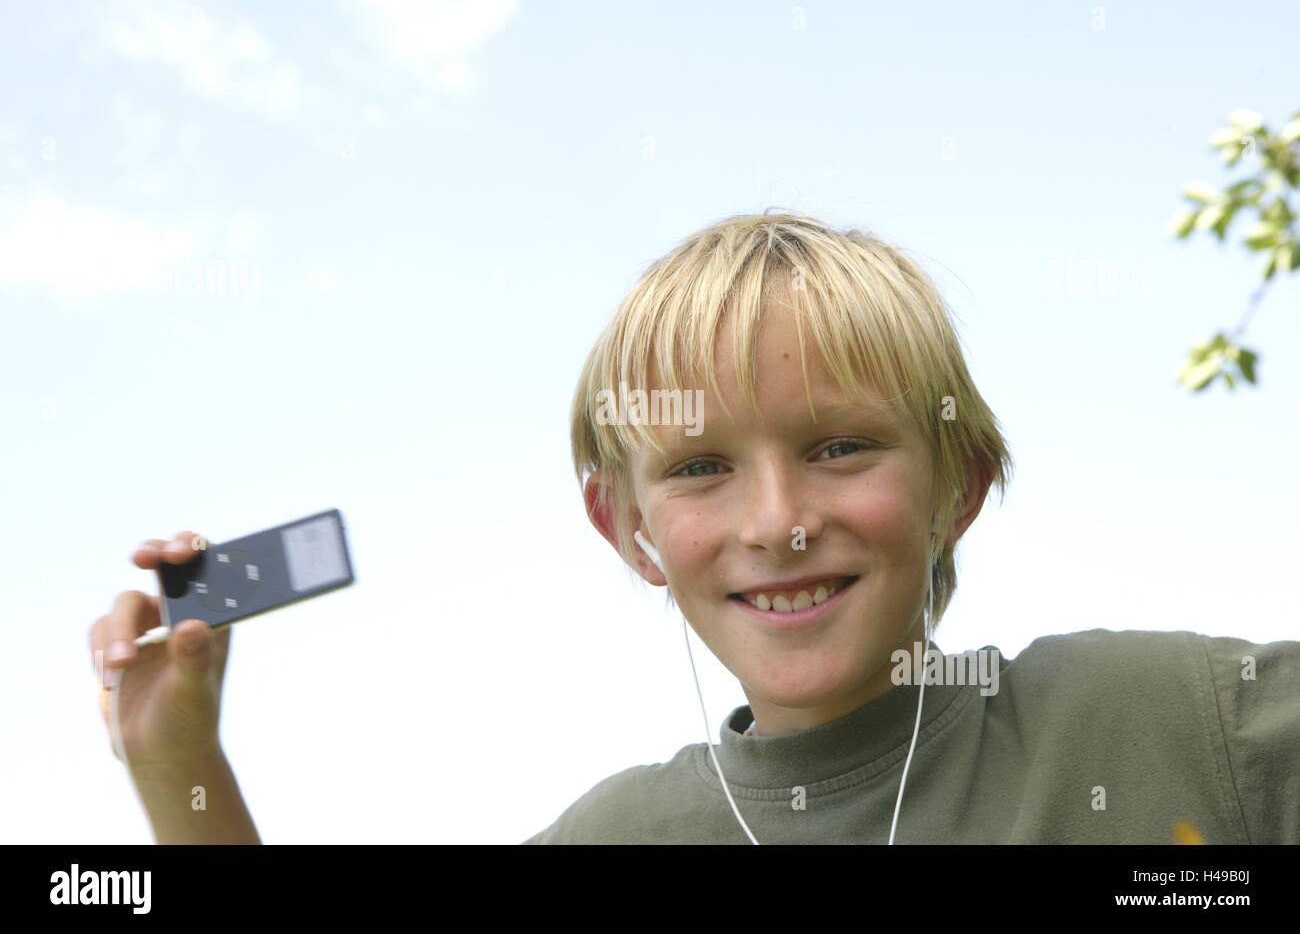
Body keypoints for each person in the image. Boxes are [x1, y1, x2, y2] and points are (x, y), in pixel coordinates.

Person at [91, 211, 1299, 844]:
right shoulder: (610, 836)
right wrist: (178, 765)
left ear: (961, 482)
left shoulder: (1178, 723)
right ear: (629, 531)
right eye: (703, 466)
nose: (776, 522)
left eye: (839, 445)